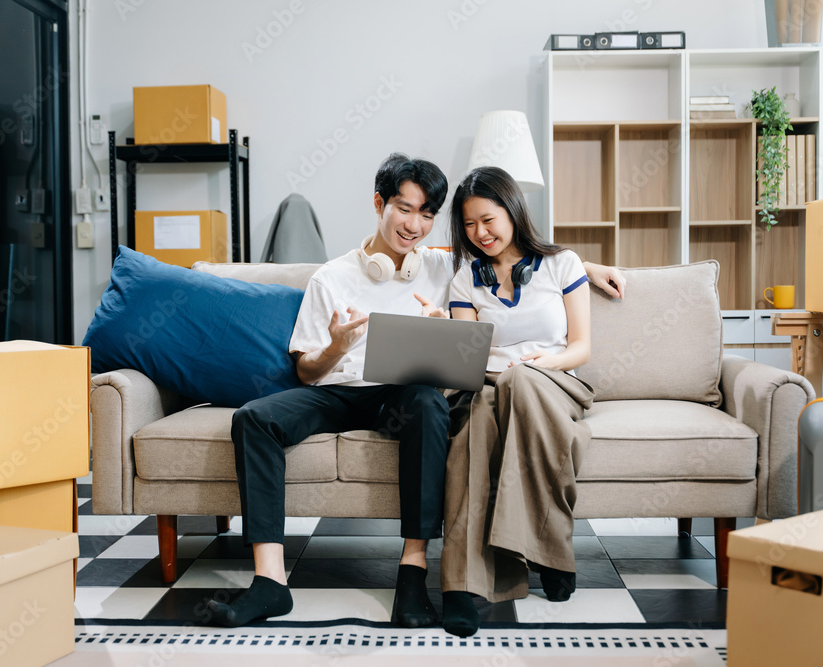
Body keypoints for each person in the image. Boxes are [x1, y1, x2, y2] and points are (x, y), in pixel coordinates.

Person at [208, 153, 625, 629]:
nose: (414, 224)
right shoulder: (331, 277)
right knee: (253, 418)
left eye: (427, 214)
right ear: (379, 203)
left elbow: (513, 256)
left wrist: (584, 266)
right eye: (404, 209)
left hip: (401, 395)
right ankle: (269, 583)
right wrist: (335, 347)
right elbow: (306, 371)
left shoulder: (444, 267)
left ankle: (412, 573)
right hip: (339, 393)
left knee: (429, 402)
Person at [439, 166, 603, 638]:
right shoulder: (465, 282)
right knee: (476, 423)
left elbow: (581, 347)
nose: (480, 233)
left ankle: (537, 552)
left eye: (488, 220)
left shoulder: (562, 264)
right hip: (489, 386)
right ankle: (465, 586)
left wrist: (539, 364)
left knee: (523, 382)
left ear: (512, 210)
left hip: (552, 383)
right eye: (469, 225)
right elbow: (467, 353)